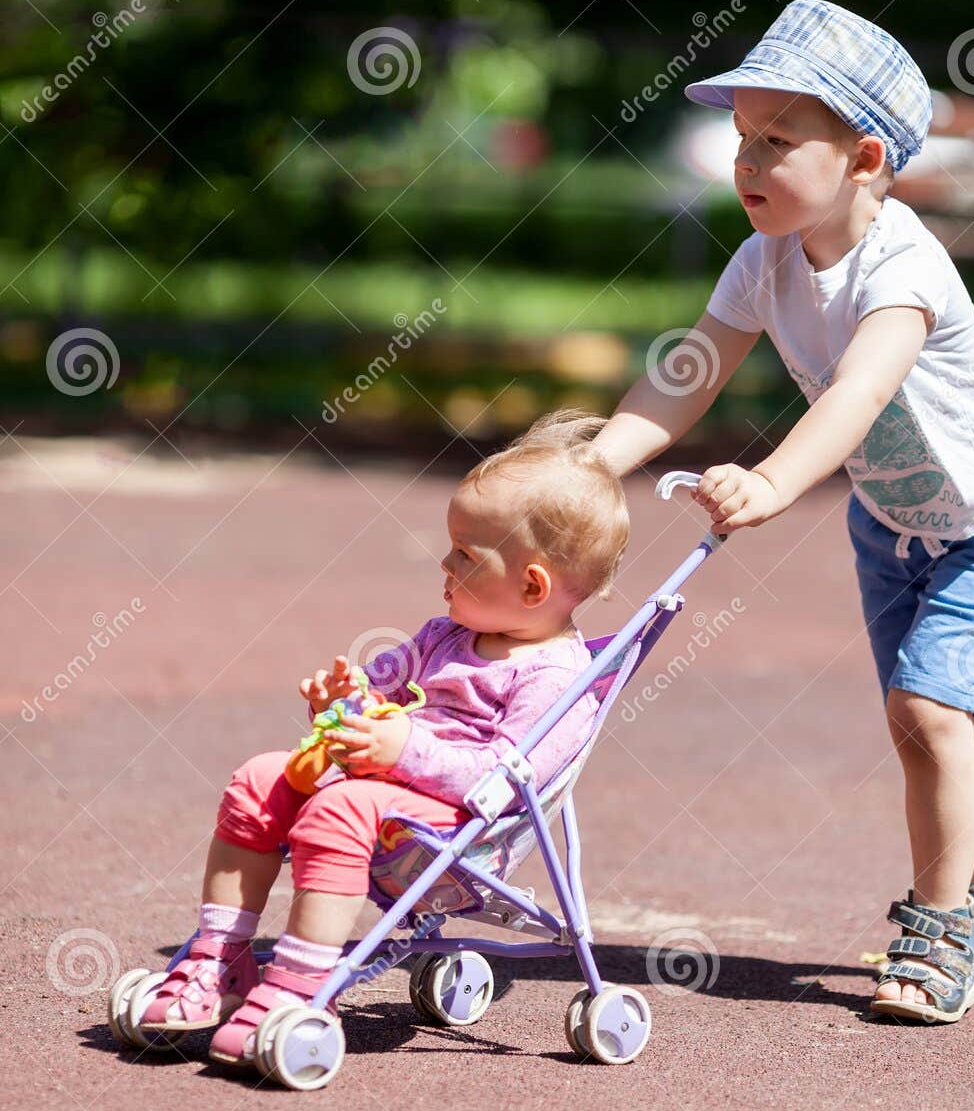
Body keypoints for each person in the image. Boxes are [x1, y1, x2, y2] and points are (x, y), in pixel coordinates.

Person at [595, 0, 974, 1024]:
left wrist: (768, 482)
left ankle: (938, 934)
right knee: (931, 723)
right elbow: (693, 367)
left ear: (863, 159)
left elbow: (855, 393)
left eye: (776, 140)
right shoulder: (763, 256)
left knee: (928, 713)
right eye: (739, 138)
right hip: (889, 524)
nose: (746, 162)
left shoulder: (901, 267)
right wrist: (603, 456)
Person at [136, 411, 629, 1066]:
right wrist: (346, 702)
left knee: (342, 806)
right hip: (386, 797)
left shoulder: (556, 678)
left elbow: (505, 778)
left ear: (532, 584)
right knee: (260, 776)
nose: (445, 563)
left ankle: (299, 986)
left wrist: (403, 751)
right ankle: (219, 960)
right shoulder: (441, 637)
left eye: (465, 554)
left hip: (460, 836)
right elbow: (379, 688)